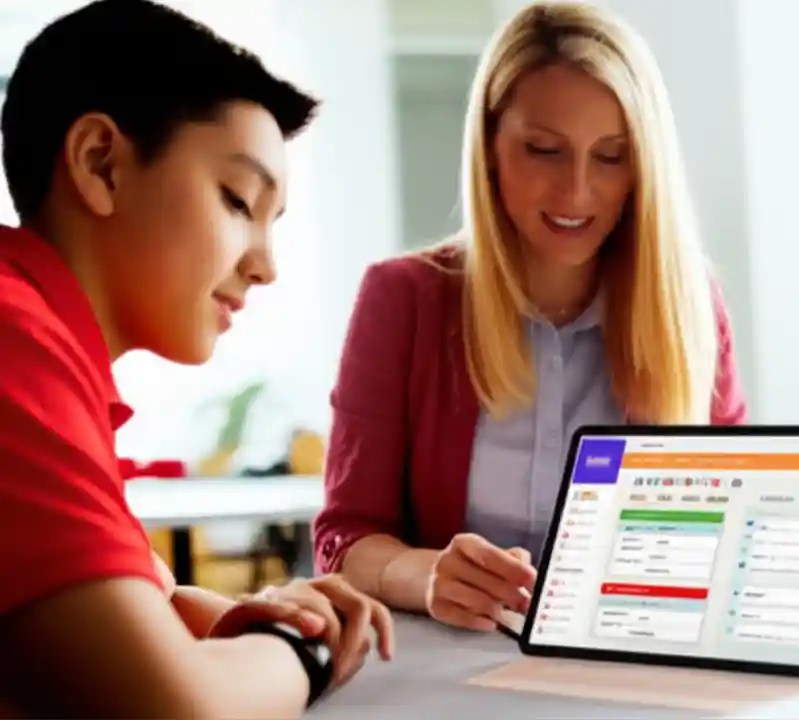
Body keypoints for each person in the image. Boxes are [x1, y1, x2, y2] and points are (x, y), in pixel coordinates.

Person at [0, 1, 393, 716]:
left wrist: (259, 622)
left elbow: (153, 599)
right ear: (101, 164)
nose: (265, 266)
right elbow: (176, 707)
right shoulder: (11, 341)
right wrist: (306, 651)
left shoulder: (47, 347)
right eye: (239, 200)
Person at [314, 1, 746, 634]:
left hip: (634, 659)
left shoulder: (690, 304)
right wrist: (427, 574)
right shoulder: (402, 299)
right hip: (454, 669)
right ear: (490, 146)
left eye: (611, 156)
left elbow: (725, 523)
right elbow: (346, 537)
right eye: (544, 150)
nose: (576, 192)